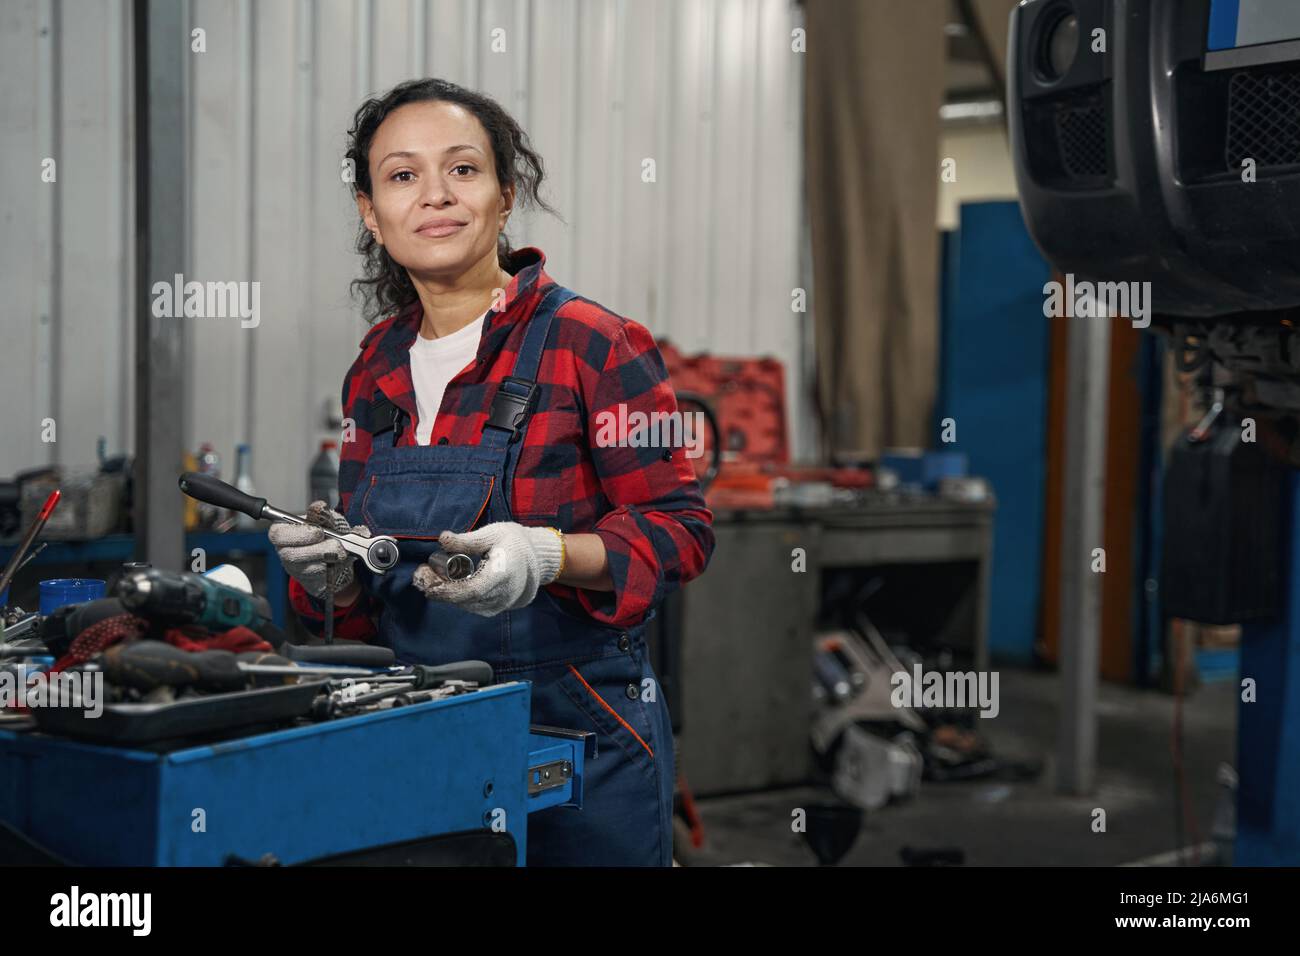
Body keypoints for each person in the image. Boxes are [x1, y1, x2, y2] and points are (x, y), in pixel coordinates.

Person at [269, 78, 715, 867]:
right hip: (419, 729)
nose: (435, 196)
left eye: (463, 170)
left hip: (575, 733)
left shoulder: (594, 342)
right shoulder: (375, 366)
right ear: (371, 212)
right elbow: (371, 588)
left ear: (507, 195)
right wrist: (334, 581)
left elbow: (680, 531)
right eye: (402, 176)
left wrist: (549, 555)